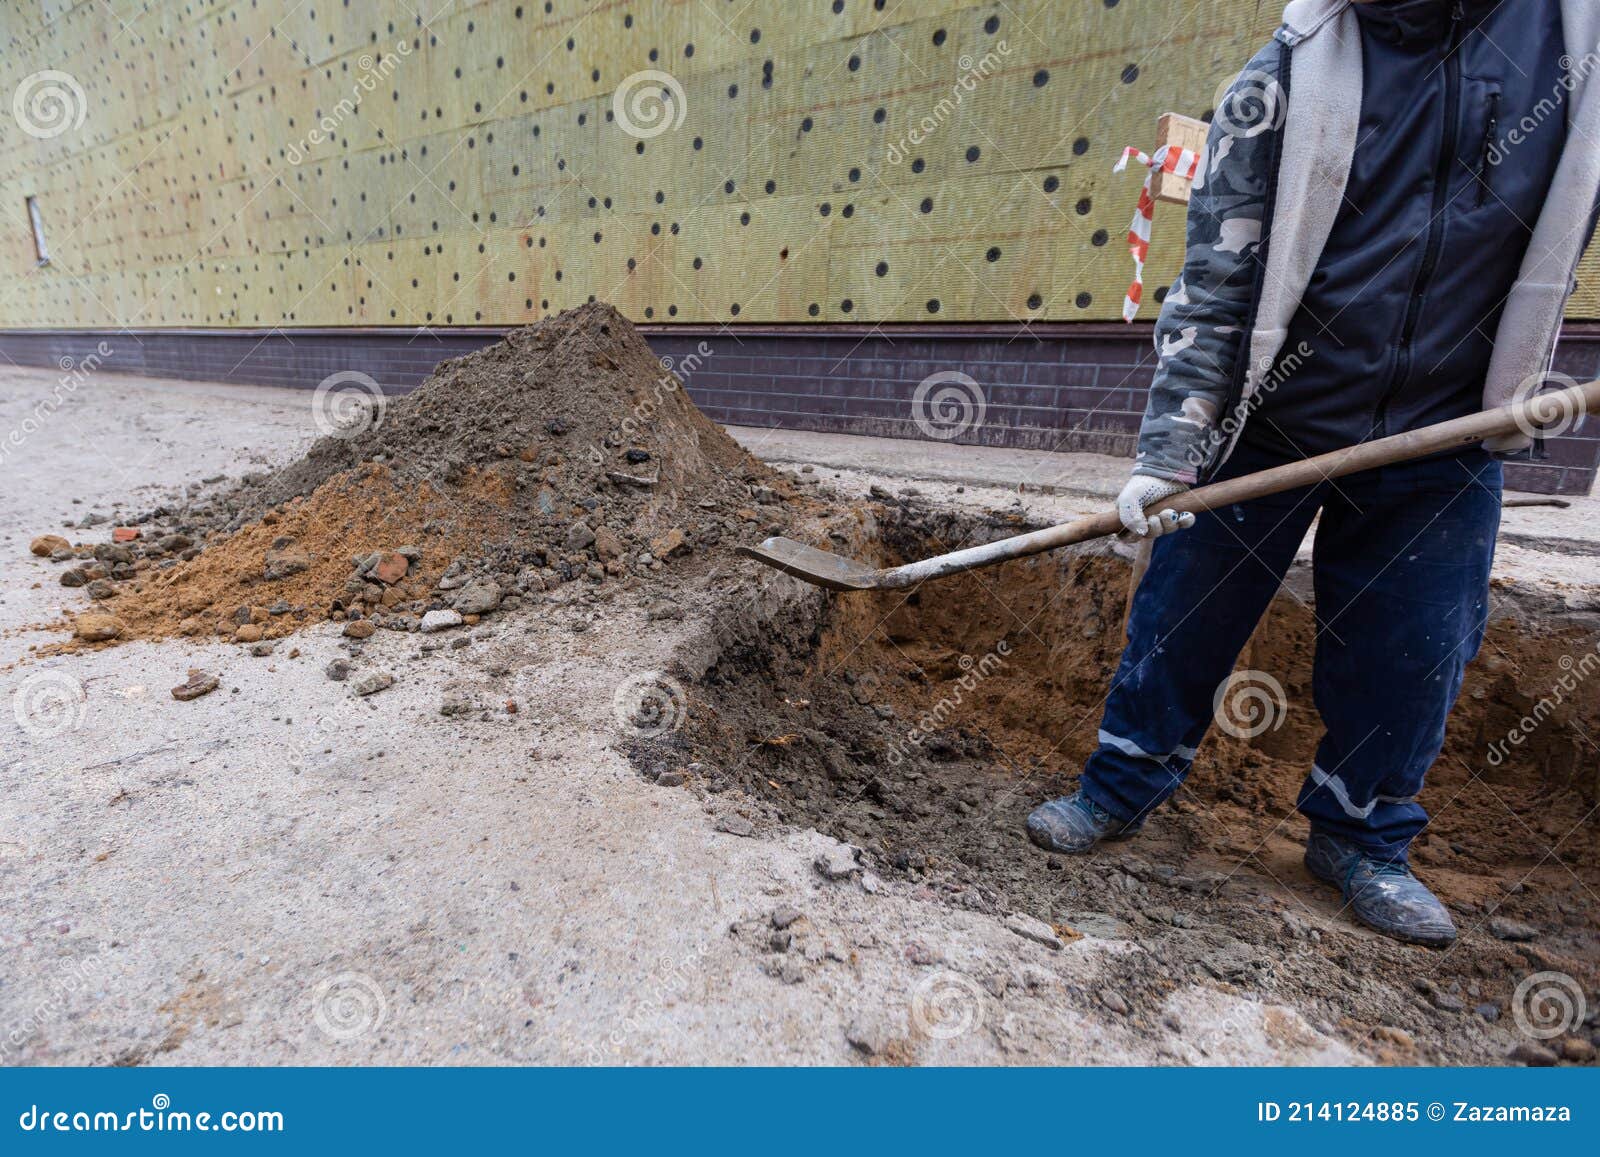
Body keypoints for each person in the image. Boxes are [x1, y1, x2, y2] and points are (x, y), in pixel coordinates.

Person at [1026, 0, 1600, 946]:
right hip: (1272, 413)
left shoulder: (1575, 42)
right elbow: (1217, 274)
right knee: (1183, 616)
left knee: (1414, 650)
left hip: (1450, 425)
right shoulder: (1293, 66)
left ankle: (1362, 838)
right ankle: (1119, 785)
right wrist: (1171, 452)